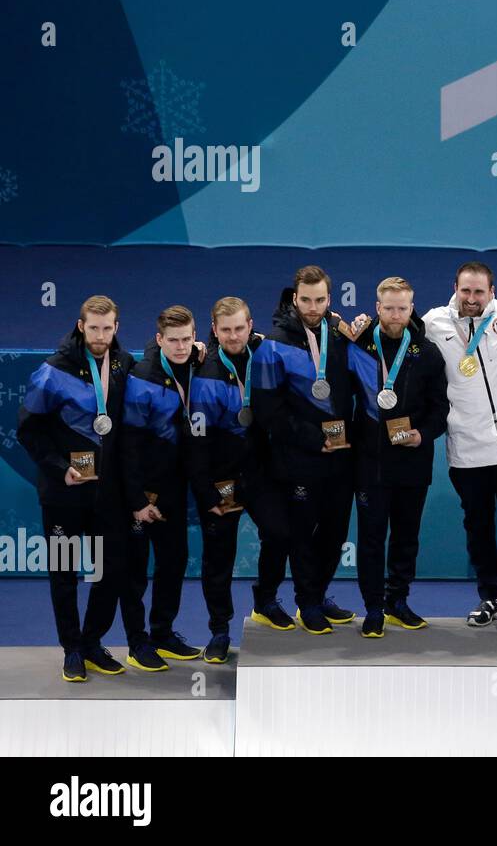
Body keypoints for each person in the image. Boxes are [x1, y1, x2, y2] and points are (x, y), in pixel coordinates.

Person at [17, 295, 133, 682]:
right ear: (81, 326)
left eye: (107, 328)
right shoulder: (52, 371)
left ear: (116, 328)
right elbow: (28, 430)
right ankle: (71, 650)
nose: (100, 335)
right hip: (64, 493)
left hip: (106, 495)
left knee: (111, 569)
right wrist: (58, 468)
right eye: (94, 328)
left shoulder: (122, 364)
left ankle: (92, 642)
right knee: (65, 572)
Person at [251, 266, 364, 635]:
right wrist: (314, 439)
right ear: (294, 298)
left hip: (342, 454)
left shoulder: (338, 332)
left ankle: (318, 592)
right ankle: (307, 603)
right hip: (299, 458)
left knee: (334, 533)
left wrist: (361, 334)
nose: (312, 307)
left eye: (320, 300)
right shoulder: (274, 343)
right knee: (302, 534)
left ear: (329, 299)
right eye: (306, 300)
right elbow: (269, 411)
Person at [424, 262, 497, 636]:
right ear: (454, 288)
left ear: (492, 291)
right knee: (479, 529)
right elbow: (395, 335)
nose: (471, 299)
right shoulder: (433, 323)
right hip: (467, 450)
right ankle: (490, 596)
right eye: (465, 291)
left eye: (479, 292)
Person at [189, 297, 294, 662]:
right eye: (226, 330)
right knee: (219, 558)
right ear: (215, 330)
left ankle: (265, 599)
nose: (234, 336)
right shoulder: (202, 370)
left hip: (261, 474)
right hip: (220, 480)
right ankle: (219, 630)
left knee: (281, 534)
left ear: (250, 325)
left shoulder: (266, 354)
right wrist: (206, 493)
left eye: (239, 327)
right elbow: (197, 443)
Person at [347, 277, 449, 637]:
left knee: (407, 537)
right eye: (388, 308)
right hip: (369, 463)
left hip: (412, 462)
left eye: (402, 308)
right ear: (377, 307)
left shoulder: (428, 352)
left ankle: (397, 601)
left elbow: (440, 408)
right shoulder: (358, 345)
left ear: (411, 307)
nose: (394, 315)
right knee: (372, 539)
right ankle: (374, 608)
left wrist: (423, 434)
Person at [119, 306, 205, 670]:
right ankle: (137, 644)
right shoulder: (142, 378)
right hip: (141, 493)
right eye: (174, 341)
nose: (182, 346)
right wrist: (137, 500)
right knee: (136, 571)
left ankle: (162, 633)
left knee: (173, 562)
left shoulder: (196, 361)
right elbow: (128, 445)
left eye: (187, 339)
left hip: (173, 489)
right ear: (159, 340)